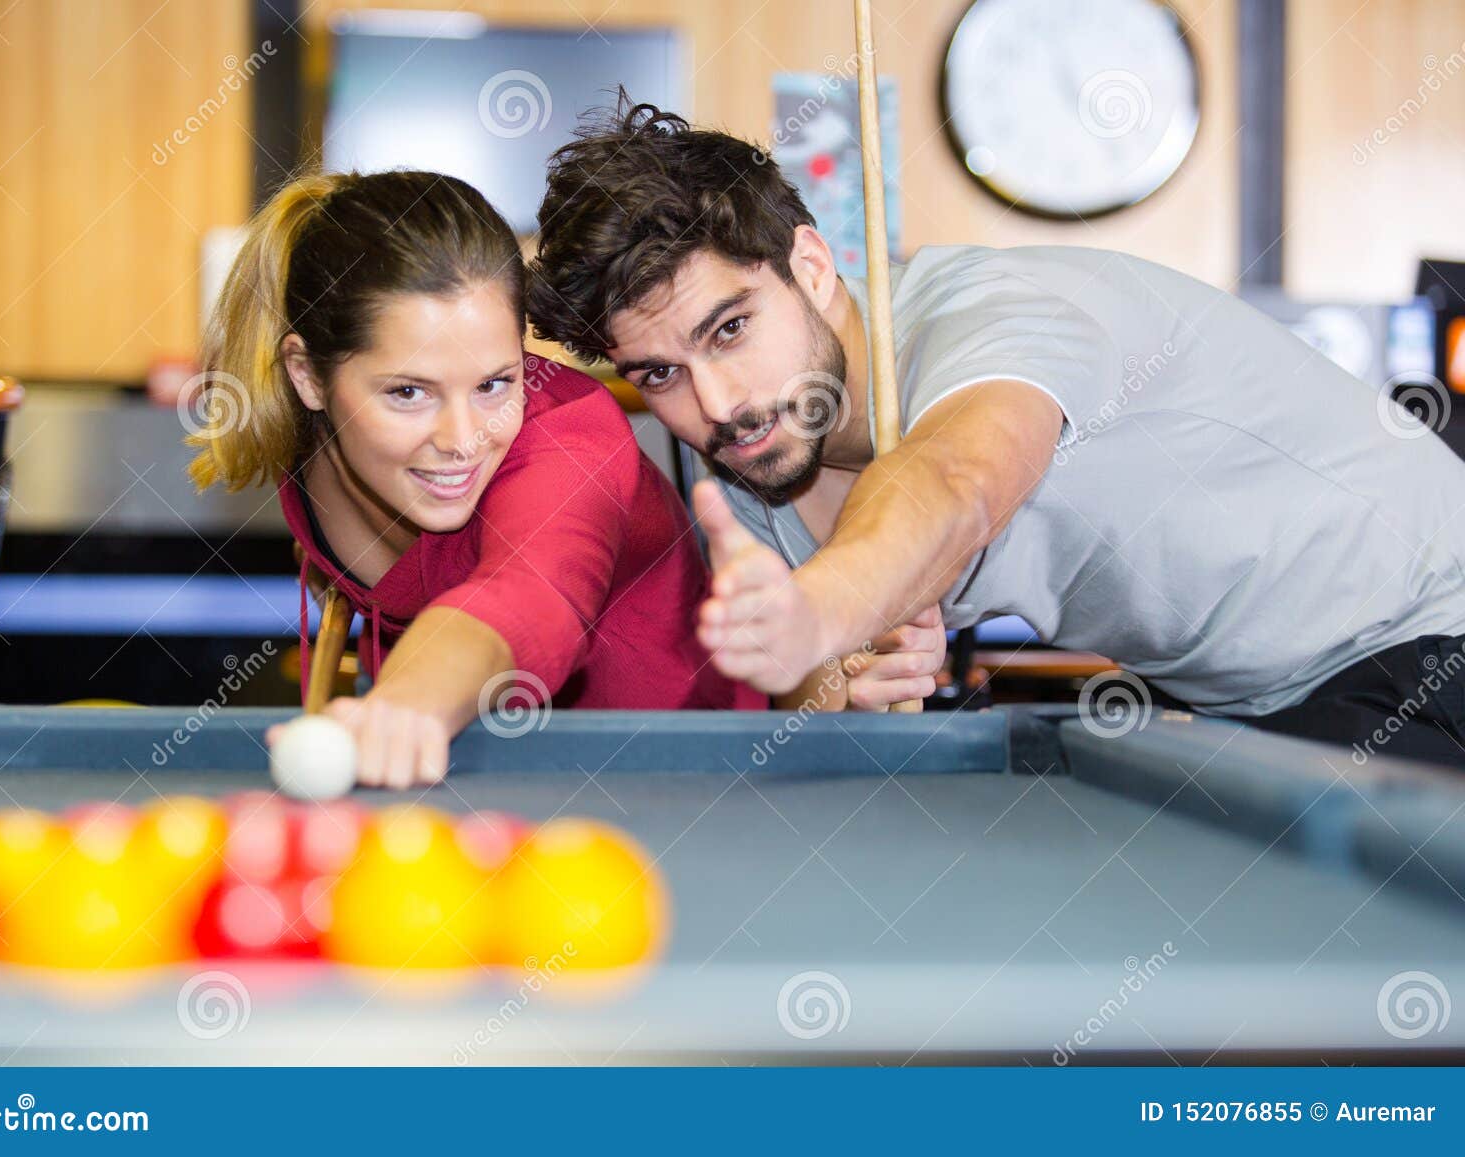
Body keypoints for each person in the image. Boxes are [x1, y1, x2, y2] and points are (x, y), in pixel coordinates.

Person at [526, 99, 1465, 766]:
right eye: (659, 373)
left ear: (811, 265)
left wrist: (825, 604)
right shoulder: (759, 458)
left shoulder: (994, 313)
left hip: (1426, 634)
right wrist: (846, 668)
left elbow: (956, 480)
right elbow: (817, 702)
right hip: (1252, 699)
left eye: (729, 328)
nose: (717, 402)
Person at [188, 169, 779, 788]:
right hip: (457, 765)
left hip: (680, 780)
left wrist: (409, 699)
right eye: (409, 392)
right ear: (307, 377)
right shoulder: (312, 451)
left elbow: (527, 592)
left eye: (495, 383)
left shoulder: (570, 439)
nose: (461, 439)